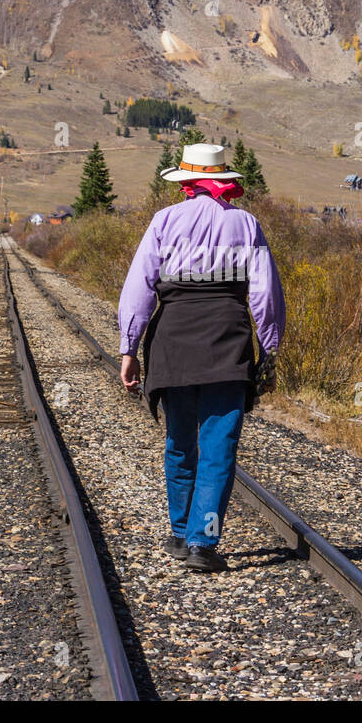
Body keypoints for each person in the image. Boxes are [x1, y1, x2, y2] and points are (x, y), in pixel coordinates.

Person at [117, 143, 285, 572]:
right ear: (225, 180)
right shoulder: (247, 224)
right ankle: (201, 543)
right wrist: (269, 348)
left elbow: (139, 288)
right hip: (227, 344)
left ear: (187, 182)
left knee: (179, 444)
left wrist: (129, 348)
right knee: (218, 448)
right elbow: (264, 295)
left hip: (172, 344)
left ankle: (179, 533)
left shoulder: (164, 221)